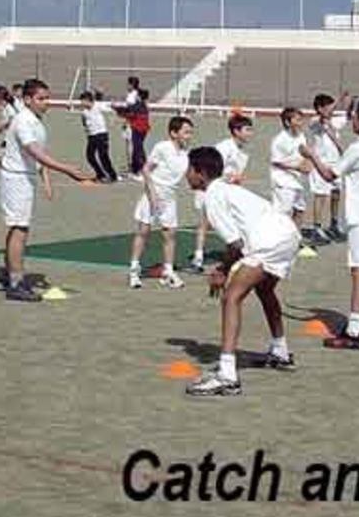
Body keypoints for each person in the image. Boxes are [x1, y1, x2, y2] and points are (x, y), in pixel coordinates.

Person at [183, 146, 301, 397]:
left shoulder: (212, 197)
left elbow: (235, 244)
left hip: (269, 241)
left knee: (231, 297)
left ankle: (227, 376)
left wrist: (223, 270)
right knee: (265, 289)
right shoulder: (227, 188)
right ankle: (280, 351)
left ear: (201, 174)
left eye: (189, 169)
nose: (186, 175)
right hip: (288, 234)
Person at [301, 98, 359, 349]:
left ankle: (354, 331)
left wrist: (311, 155)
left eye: (354, 116)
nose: (351, 120)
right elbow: (350, 160)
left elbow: (330, 174)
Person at [0, 79, 92, 301]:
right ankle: (16, 282)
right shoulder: (23, 121)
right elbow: (36, 153)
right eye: (40, 98)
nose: (45, 103)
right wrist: (66, 169)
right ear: (27, 100)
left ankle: (10, 273)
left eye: (47, 98)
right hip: (16, 178)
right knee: (20, 228)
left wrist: (46, 179)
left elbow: (37, 156)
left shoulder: (34, 121)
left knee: (18, 227)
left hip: (24, 177)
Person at [128, 116, 195, 290]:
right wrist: (152, 196)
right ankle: (134, 271)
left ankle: (168, 272)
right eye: (186, 132)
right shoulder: (162, 147)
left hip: (170, 198)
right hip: (153, 194)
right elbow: (146, 170)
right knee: (143, 231)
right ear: (174, 133)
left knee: (170, 235)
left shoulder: (186, 154)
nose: (189, 136)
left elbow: (189, 178)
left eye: (190, 132)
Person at [191, 113, 253, 272]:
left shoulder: (244, 152)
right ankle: (198, 257)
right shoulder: (224, 147)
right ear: (236, 131)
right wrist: (229, 177)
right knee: (205, 222)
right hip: (212, 189)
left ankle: (233, 255)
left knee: (232, 223)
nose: (250, 133)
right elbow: (212, 168)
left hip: (228, 193)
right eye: (247, 129)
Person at [307, 92, 349, 241]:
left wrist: (348, 101)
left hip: (336, 164)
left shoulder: (335, 121)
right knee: (321, 195)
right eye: (328, 107)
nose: (332, 110)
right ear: (319, 108)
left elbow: (348, 116)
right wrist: (339, 100)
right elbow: (323, 119)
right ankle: (317, 227)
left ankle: (334, 225)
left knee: (336, 194)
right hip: (321, 164)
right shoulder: (314, 122)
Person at [269, 107, 311, 227]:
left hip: (298, 180)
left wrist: (309, 163)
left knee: (300, 210)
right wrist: (297, 167)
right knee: (282, 214)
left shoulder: (301, 136)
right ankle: (276, 240)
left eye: (301, 120)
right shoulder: (279, 140)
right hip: (283, 182)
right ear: (287, 122)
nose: (300, 123)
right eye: (297, 120)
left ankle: (295, 241)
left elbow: (304, 152)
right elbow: (275, 161)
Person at [79, 89, 118, 183]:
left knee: (103, 156)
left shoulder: (98, 106)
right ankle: (100, 174)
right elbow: (84, 121)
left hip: (101, 135)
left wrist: (113, 118)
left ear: (88, 100)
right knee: (90, 156)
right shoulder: (84, 112)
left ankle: (112, 176)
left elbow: (111, 109)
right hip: (92, 136)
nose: (82, 103)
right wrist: (87, 129)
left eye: (83, 101)